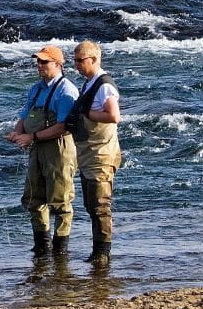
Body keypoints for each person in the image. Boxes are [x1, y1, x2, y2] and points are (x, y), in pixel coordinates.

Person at [7, 43, 78, 258]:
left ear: (57, 65)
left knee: (60, 199)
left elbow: (64, 126)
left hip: (59, 149)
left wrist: (31, 137)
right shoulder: (36, 88)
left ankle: (60, 249)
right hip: (36, 148)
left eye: (43, 62)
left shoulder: (67, 91)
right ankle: (41, 245)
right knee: (33, 197)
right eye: (37, 61)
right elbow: (25, 115)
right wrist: (17, 132)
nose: (39, 65)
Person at [66, 40, 122, 263]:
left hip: (101, 154)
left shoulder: (104, 86)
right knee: (91, 204)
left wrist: (89, 114)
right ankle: (97, 250)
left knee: (100, 205)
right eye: (75, 60)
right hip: (88, 153)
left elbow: (113, 116)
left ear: (94, 60)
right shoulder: (89, 83)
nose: (77, 65)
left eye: (81, 60)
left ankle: (102, 253)